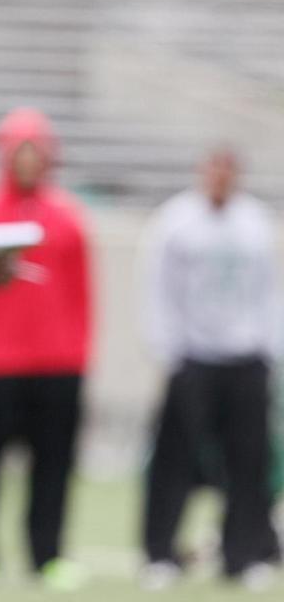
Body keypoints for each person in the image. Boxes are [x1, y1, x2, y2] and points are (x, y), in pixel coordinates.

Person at [0, 107, 92, 592]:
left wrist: (78, 358)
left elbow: (82, 297)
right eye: (20, 151)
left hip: (57, 367)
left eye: (37, 152)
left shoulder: (68, 219)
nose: (28, 161)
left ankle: (47, 554)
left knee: (53, 466)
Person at [140, 147, 282, 589]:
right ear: (203, 173)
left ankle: (244, 554)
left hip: (245, 358)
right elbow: (158, 287)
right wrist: (169, 350)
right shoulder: (175, 222)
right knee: (174, 459)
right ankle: (160, 553)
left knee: (249, 462)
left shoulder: (256, 224)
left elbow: (269, 292)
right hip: (193, 357)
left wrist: (268, 350)